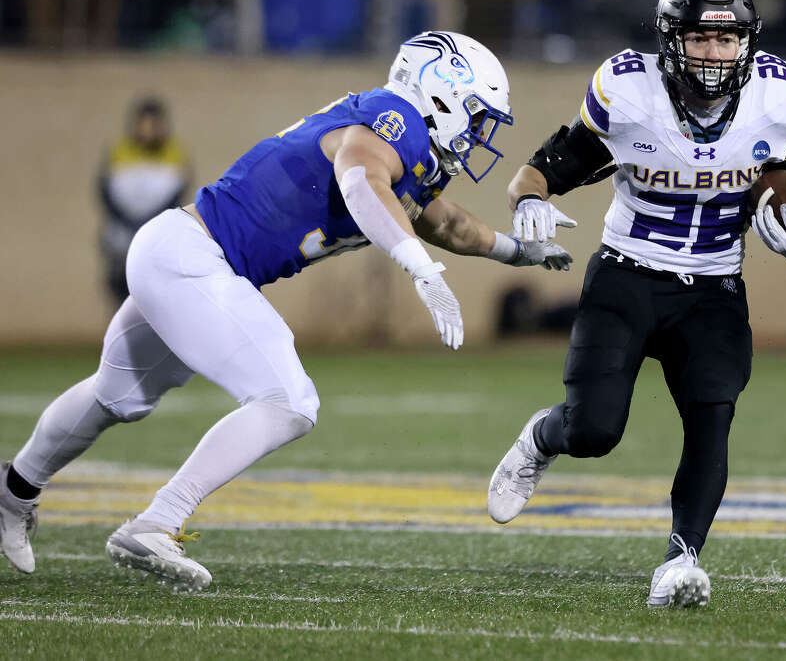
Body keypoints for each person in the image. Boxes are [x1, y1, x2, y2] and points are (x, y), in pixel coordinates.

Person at [0, 31, 571, 589]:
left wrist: (518, 250)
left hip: (181, 254)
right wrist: (419, 269)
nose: (477, 135)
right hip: (193, 259)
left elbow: (446, 222)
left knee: (116, 396)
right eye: (476, 117)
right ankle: (157, 522)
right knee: (289, 400)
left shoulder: (407, 150)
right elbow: (358, 177)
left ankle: (13, 492)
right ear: (441, 93)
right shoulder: (393, 117)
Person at [486, 0, 786, 608]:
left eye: (728, 41)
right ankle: (541, 437)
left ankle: (680, 558)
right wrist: (526, 202)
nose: (717, 55)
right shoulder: (627, 90)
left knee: (711, 421)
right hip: (628, 272)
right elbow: (546, 166)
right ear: (672, 40)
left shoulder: (776, 95)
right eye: (701, 39)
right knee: (595, 431)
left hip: (715, 286)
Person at [98, 96, 193, 307]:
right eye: (145, 123)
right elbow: (104, 189)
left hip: (156, 233)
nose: (149, 129)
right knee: (120, 289)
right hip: (121, 235)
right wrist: (125, 219)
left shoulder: (175, 151)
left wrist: (150, 221)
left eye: (154, 123)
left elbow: (178, 192)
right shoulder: (119, 149)